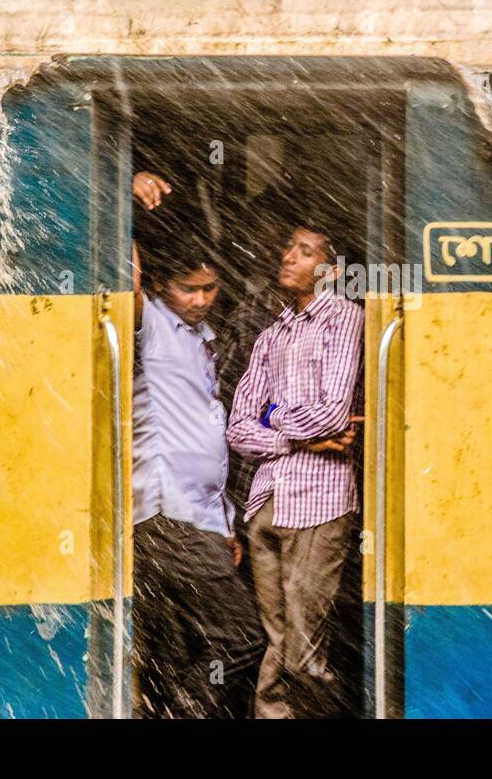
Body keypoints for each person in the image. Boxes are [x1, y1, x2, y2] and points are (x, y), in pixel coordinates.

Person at [130, 170, 265, 718]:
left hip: (198, 519)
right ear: (164, 285)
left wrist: (223, 523)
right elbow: (125, 274)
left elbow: (206, 438)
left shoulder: (204, 341)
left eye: (210, 288)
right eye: (189, 288)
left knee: (185, 647)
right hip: (167, 514)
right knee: (241, 639)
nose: (202, 299)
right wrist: (125, 193)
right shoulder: (153, 327)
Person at [226, 221, 365, 719]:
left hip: (318, 502)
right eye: (289, 246)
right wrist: (291, 433)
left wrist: (271, 413)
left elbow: (331, 413)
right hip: (266, 504)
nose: (288, 256)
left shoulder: (344, 319)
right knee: (278, 640)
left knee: (304, 650)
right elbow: (237, 429)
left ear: (329, 269)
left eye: (304, 252)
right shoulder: (270, 335)